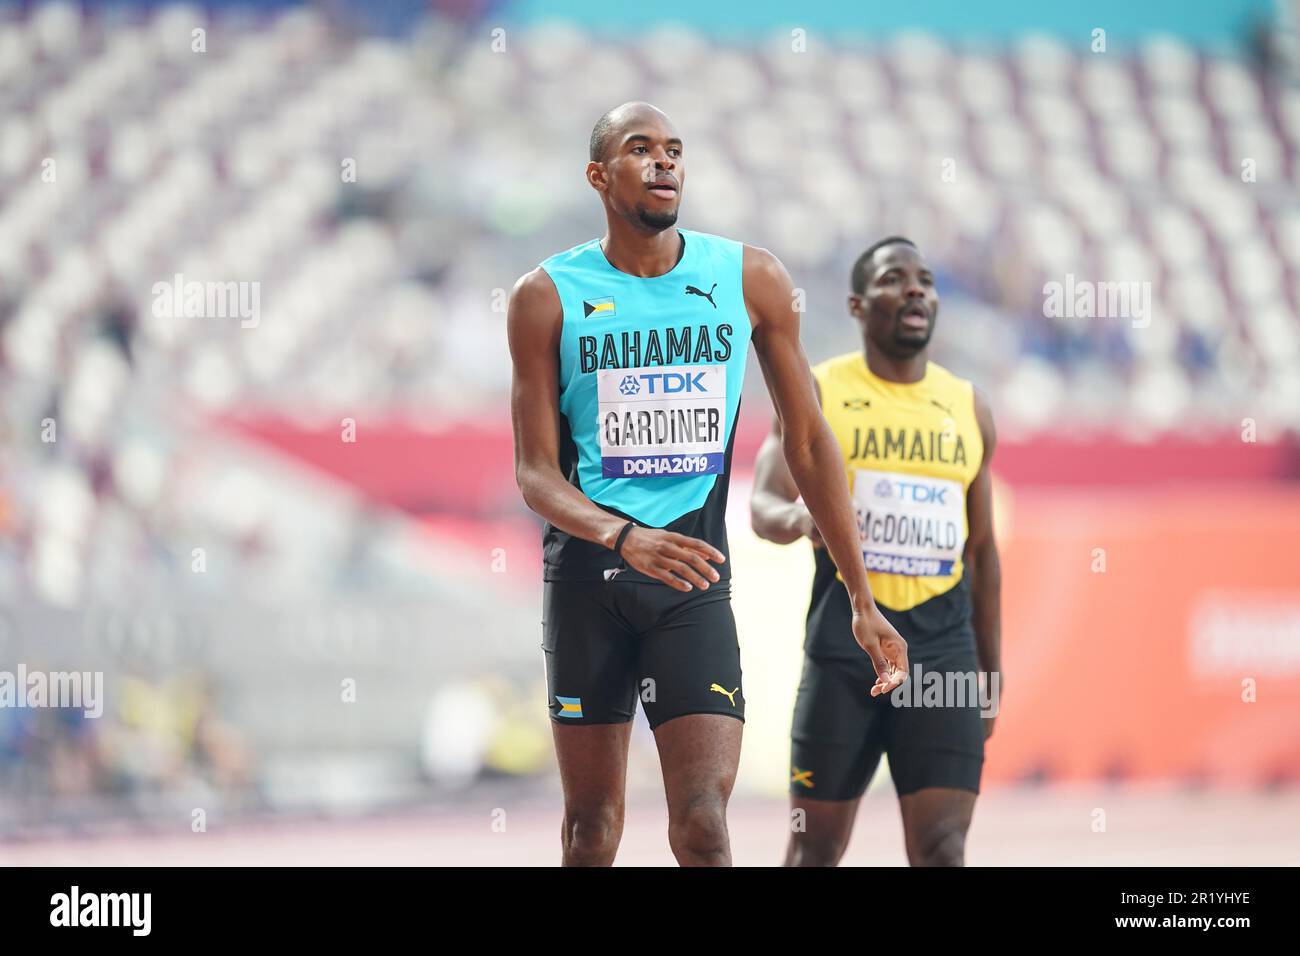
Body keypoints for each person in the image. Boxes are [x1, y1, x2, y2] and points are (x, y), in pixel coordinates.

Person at [507, 103, 908, 866]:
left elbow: (812, 440)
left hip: (693, 582)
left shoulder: (750, 277)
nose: (664, 163)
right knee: (590, 829)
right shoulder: (544, 295)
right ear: (599, 175)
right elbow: (534, 473)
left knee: (703, 826)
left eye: (674, 150)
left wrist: (862, 597)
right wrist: (623, 536)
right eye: (640, 149)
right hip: (588, 583)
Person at [750, 236, 1001, 866]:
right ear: (859, 305)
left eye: (925, 280)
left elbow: (984, 555)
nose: (915, 289)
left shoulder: (968, 406)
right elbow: (762, 506)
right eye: (895, 278)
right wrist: (803, 518)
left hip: (943, 655)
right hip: (845, 649)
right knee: (815, 850)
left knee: (943, 849)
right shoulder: (819, 390)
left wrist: (991, 674)